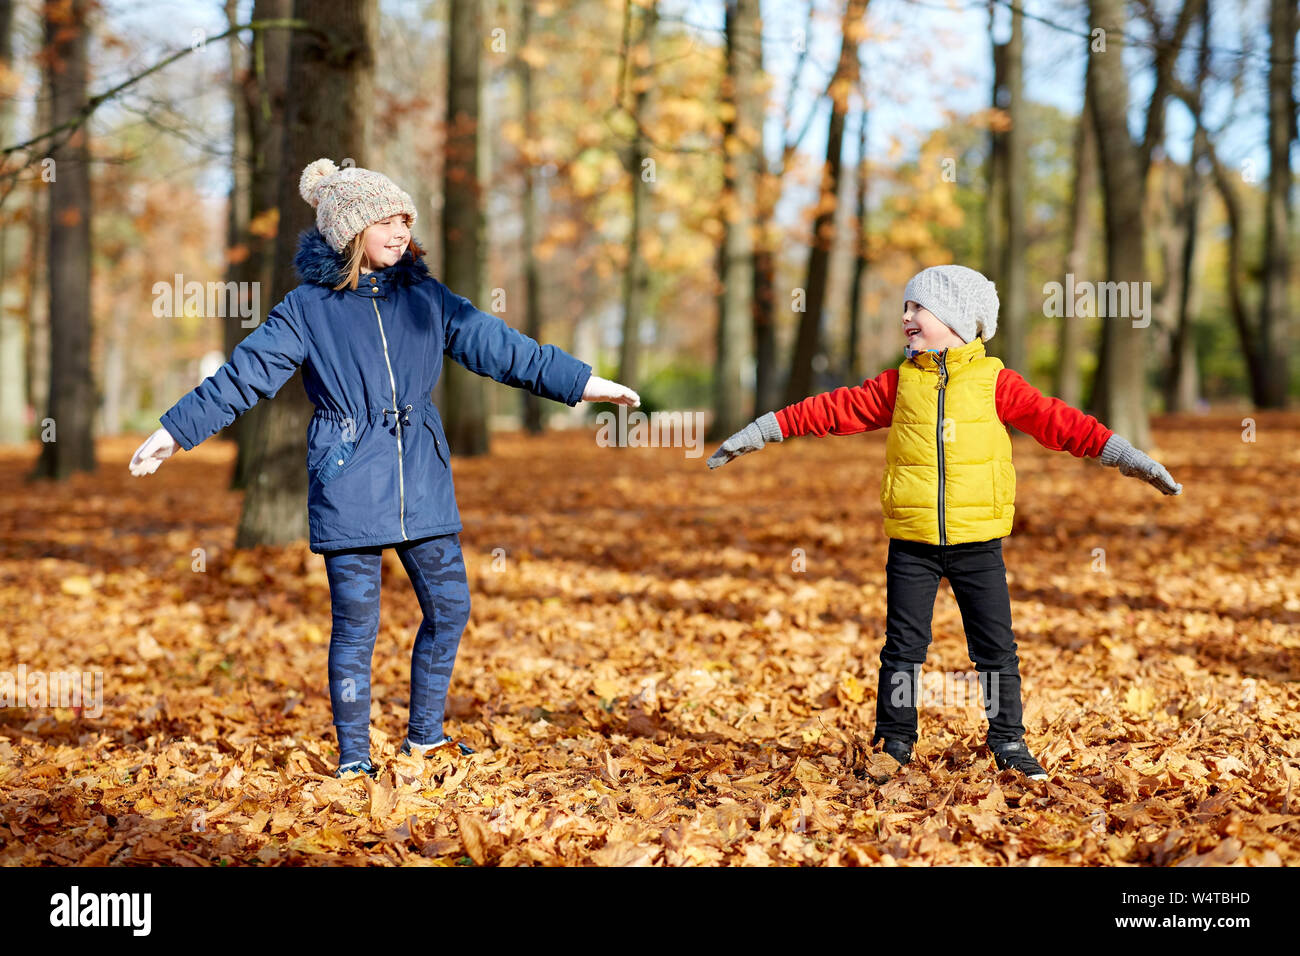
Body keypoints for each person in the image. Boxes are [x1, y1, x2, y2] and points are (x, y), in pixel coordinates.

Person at [130, 158, 640, 779]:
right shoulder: (306, 309)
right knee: (356, 625)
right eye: (384, 219)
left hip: (422, 477)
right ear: (350, 231)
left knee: (450, 607)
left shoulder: (428, 299)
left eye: (404, 218)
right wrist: (174, 431)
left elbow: (502, 347)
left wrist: (584, 382)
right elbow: (244, 376)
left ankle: (425, 738)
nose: (400, 230)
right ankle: (353, 760)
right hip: (348, 479)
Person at [706, 264, 1182, 781]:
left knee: (995, 649)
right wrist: (762, 430)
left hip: (979, 542)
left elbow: (1060, 422)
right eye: (904, 307)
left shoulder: (995, 382)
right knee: (903, 648)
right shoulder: (899, 384)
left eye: (918, 307)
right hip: (912, 543)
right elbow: (830, 409)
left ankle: (1009, 741)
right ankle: (893, 743)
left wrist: (1130, 458)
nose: (906, 316)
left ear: (957, 317)